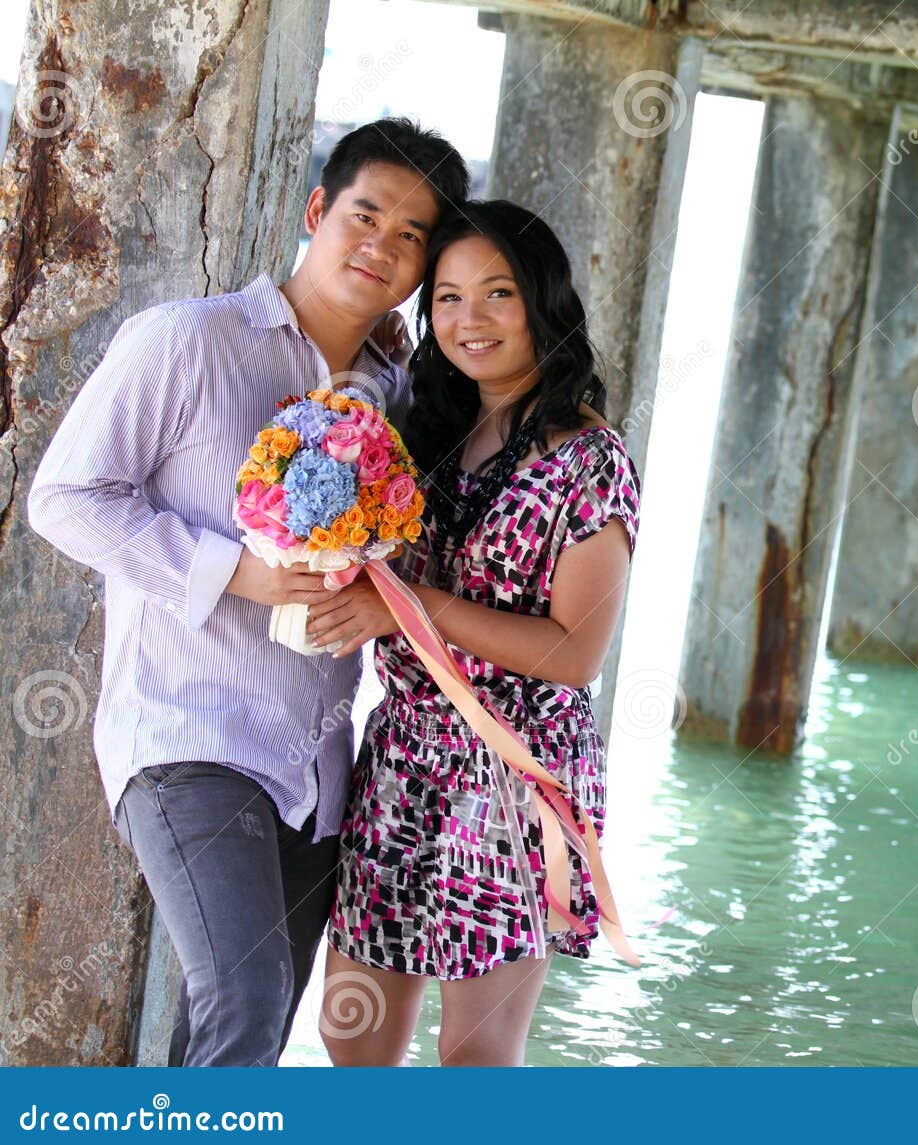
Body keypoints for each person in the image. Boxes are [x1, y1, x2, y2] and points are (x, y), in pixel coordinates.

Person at [25, 117, 470, 1066]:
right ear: (316, 211)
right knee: (246, 995)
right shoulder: (188, 340)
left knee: (243, 1033)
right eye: (364, 217)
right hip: (187, 733)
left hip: (315, 769)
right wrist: (235, 570)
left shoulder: (394, 396)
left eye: (411, 236)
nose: (381, 246)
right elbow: (64, 497)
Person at [306, 199, 642, 1066]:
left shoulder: (589, 460)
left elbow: (575, 653)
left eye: (497, 293)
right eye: (448, 298)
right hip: (404, 752)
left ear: (543, 300)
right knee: (350, 1031)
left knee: (475, 1057)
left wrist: (408, 607)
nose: (470, 319)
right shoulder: (431, 426)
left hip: (515, 767)